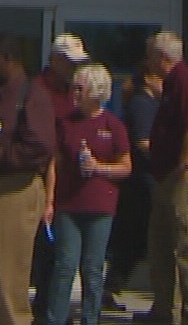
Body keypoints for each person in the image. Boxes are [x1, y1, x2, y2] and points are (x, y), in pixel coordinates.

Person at [0, 33, 57, 325]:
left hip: (12, 194)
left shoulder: (32, 95)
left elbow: (40, 149)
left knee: (8, 291)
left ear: (9, 59)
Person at [138, 31, 188, 325]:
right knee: (160, 244)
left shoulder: (187, 80)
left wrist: (183, 166)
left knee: (187, 244)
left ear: (162, 57)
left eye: (150, 56)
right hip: (164, 176)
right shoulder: (170, 85)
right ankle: (164, 310)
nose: (147, 62)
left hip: (180, 177)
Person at [48, 63, 131, 325]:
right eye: (73, 87)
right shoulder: (65, 123)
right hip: (68, 204)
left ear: (95, 91)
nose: (74, 93)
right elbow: (54, 164)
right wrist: (49, 201)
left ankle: (90, 318)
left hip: (100, 205)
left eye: (79, 88)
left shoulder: (113, 125)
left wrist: (99, 167)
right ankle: (55, 319)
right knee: (65, 264)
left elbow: (126, 167)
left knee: (93, 268)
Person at [33, 34, 89, 325]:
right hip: (42, 176)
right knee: (47, 248)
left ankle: (56, 308)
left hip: (70, 181)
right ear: (54, 60)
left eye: (77, 63)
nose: (74, 68)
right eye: (69, 63)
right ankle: (44, 309)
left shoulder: (75, 92)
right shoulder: (38, 90)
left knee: (65, 251)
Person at [105, 63, 162, 311]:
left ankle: (111, 286)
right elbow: (143, 142)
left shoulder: (149, 103)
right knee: (135, 239)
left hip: (140, 183)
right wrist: (168, 158)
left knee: (132, 240)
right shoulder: (142, 104)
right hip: (141, 183)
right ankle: (110, 287)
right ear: (149, 78)